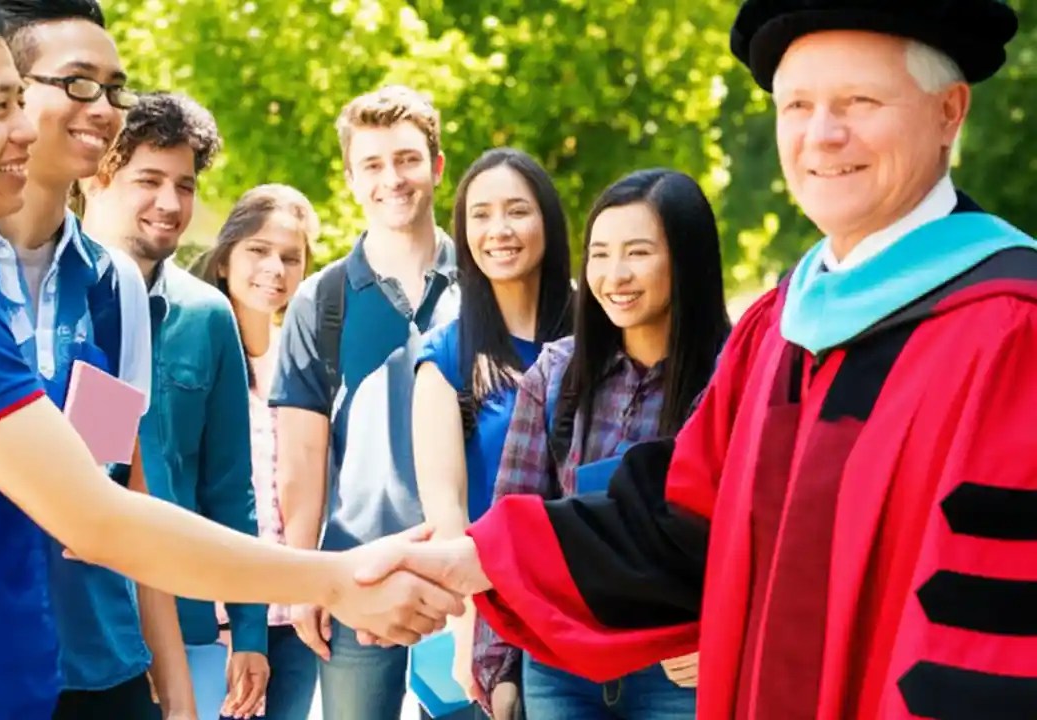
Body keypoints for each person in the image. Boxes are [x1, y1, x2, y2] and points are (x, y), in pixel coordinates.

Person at [362, 1, 1037, 719]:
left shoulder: (1011, 330)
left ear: (949, 112)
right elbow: (680, 519)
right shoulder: (779, 329)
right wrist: (478, 560)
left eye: (859, 102)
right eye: (796, 105)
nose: (822, 135)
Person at [0, 3, 462, 718]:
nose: (25, 129)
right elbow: (98, 519)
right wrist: (334, 579)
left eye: (23, 101)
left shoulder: (77, 292)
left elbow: (108, 481)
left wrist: (171, 677)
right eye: (0, 106)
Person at [485, 169, 729, 720]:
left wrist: (725, 634)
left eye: (637, 253)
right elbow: (510, 522)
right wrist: (500, 667)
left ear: (686, 259)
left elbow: (766, 537)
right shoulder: (556, 374)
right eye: (599, 254)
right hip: (560, 668)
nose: (614, 275)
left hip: (680, 671)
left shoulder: (736, 378)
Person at [0, 1, 157, 715]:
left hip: (99, 667)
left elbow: (105, 482)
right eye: (79, 83)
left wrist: (171, 680)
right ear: (9, 94)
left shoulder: (115, 288)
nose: (104, 110)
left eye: (115, 90)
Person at [271, 84, 461, 720]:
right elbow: (301, 462)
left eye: (407, 159)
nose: (392, 179)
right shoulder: (321, 301)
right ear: (352, 179)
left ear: (437, 166)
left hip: (466, 569)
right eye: (373, 165)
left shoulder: (486, 286)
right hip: (357, 577)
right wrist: (306, 578)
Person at [79, 93, 271, 720]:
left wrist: (249, 629)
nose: (170, 203)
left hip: (189, 626)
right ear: (97, 176)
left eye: (184, 185)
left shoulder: (207, 316)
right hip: (88, 629)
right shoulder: (67, 307)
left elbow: (229, 488)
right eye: (149, 180)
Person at [411, 148, 573, 718]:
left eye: (516, 211)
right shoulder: (446, 357)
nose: (498, 230)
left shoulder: (602, 332)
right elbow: (447, 514)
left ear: (548, 221)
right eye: (480, 215)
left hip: (591, 609)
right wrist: (472, 641)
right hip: (497, 615)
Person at [193, 184, 322, 720]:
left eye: (290, 257)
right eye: (258, 250)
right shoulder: (193, 342)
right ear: (224, 260)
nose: (275, 268)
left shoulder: (305, 356)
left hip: (294, 611)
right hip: (219, 614)